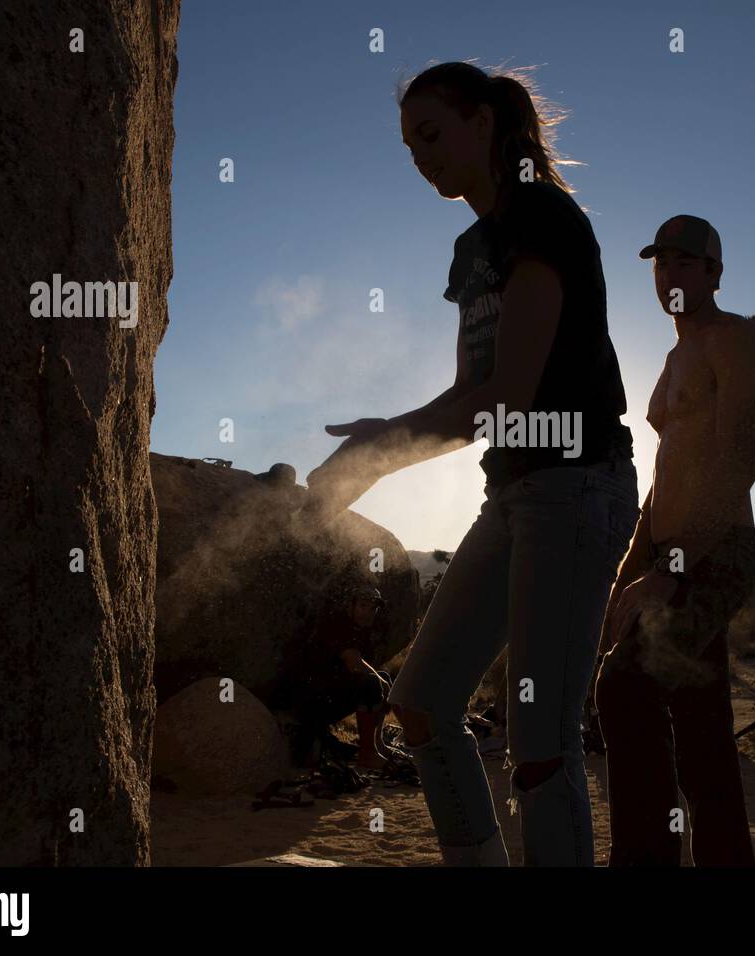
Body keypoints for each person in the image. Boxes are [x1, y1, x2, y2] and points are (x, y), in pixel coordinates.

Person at [303, 61, 639, 866]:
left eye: (432, 133)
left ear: (484, 122)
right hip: (514, 494)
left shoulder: (544, 216)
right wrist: (386, 431)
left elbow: (514, 392)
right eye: (408, 144)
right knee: (419, 706)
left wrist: (377, 455)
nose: (419, 155)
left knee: (540, 738)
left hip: (578, 485)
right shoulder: (472, 250)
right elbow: (471, 402)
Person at [594, 215, 755, 866]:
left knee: (625, 688)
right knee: (704, 736)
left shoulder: (737, 340)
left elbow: (739, 461)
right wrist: (625, 580)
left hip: (715, 552)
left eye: (683, 263)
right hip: (671, 556)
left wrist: (670, 566)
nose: (668, 274)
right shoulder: (673, 358)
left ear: (715, 273)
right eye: (659, 263)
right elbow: (663, 480)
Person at [282, 584, 394, 770]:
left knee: (382, 677)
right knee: (374, 683)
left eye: (372, 608)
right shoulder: (338, 625)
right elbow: (354, 663)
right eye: (363, 606)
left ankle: (377, 744)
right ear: (351, 606)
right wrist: (383, 685)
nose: (367, 612)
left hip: (331, 692)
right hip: (312, 700)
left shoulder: (361, 630)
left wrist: (384, 682)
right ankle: (367, 755)